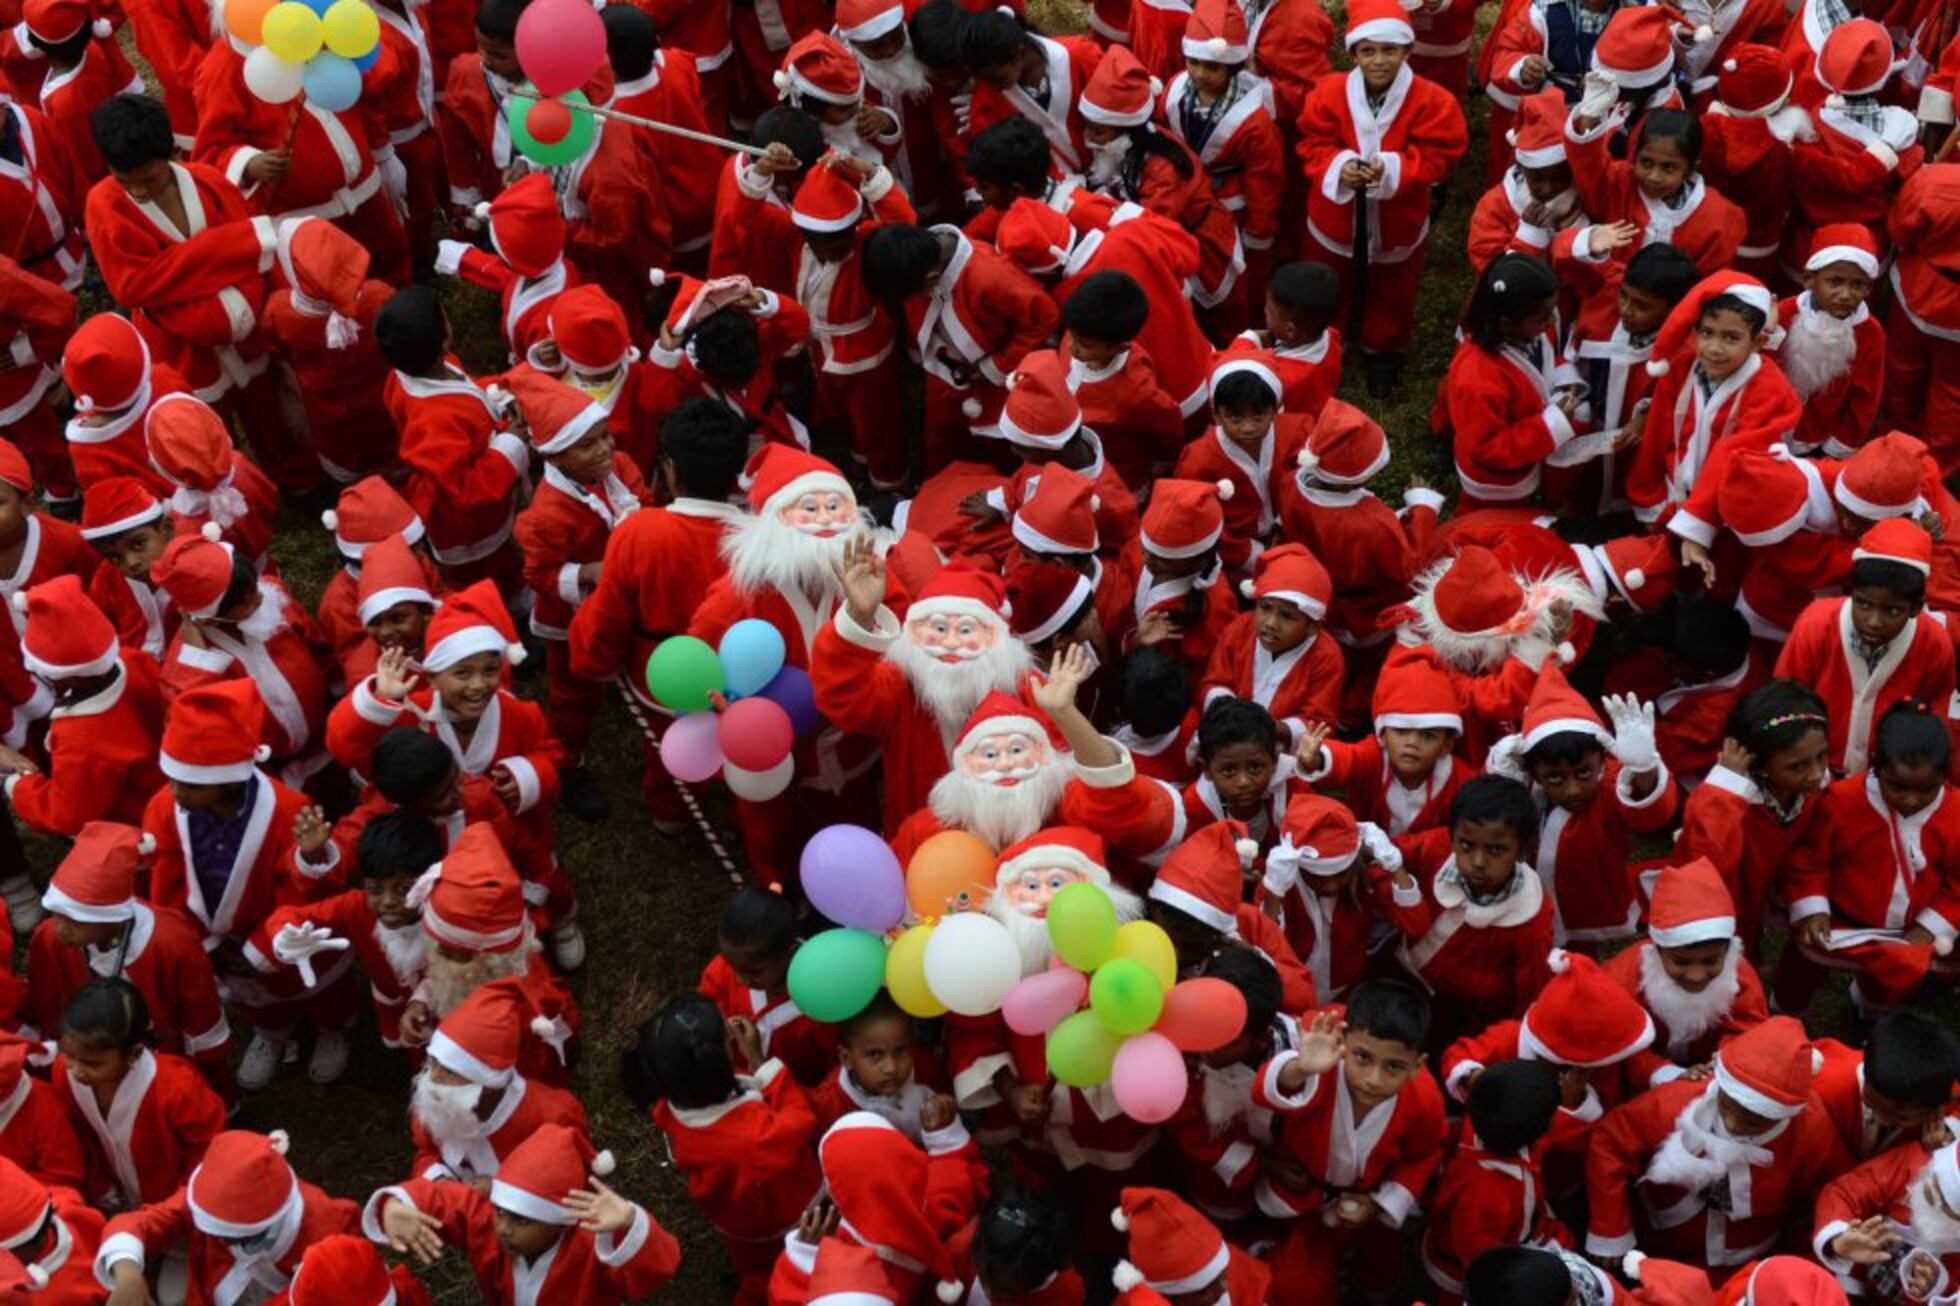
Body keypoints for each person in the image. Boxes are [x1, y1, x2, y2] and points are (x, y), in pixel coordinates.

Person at [567, 400, 748, 832]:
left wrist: (593, 660)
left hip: (657, 674)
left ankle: (672, 811)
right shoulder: (755, 540)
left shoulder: (639, 532)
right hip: (739, 672)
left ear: (669, 470)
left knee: (670, 746)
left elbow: (609, 615)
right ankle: (742, 809)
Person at [1585, 1016, 1854, 1269]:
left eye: (1754, 1120)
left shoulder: (1810, 1128)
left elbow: (1833, 1184)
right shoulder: (1675, 1103)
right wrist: (1611, 1230)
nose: (1735, 1124)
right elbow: (1611, 1142)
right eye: (1727, 1108)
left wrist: (1833, 1234)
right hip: (1658, 1235)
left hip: (1747, 1252)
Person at [1295, 0, 1468, 396]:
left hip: (1397, 215)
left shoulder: (1432, 101)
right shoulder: (1328, 93)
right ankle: (1326, 342)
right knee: (1329, 278)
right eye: (1368, 51)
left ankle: (1383, 348)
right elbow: (1311, 142)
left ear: (1408, 51)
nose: (1379, 61)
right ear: (1353, 53)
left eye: (1389, 50)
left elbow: (1442, 153)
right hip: (1335, 215)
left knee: (1393, 286)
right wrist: (1339, 166)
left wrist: (1393, 169)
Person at [508, 369, 655, 822]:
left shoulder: (621, 469)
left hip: (625, 600)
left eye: (605, 436)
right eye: (589, 444)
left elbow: (645, 503)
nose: (606, 448)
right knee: (573, 693)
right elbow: (539, 574)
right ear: (557, 454)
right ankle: (568, 759)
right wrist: (585, 572)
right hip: (572, 619)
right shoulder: (547, 516)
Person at [1254, 984, 1451, 1306]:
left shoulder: (1425, 1101)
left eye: (1394, 1067)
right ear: (1342, 1042)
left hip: (1370, 1204)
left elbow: (1425, 1153)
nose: (1373, 1078)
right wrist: (1299, 1068)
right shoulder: (1319, 1067)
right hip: (1303, 1197)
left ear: (1417, 1065)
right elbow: (1265, 1092)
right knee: (1301, 1276)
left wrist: (1380, 1204)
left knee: (1380, 1268)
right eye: (1362, 1057)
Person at [623, 991, 821, 1306]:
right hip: (782, 1216)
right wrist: (760, 1063)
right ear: (724, 1056)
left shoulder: (670, 1107)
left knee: (748, 1262)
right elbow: (800, 1119)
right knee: (767, 1273)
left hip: (735, 1217)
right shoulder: (757, 1138)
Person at [1781, 702, 1960, 1015]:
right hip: (1839, 917)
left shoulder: (1956, 814)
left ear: (1945, 776)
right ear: (1877, 765)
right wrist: (1812, 906)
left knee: (1889, 979)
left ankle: (1867, 1010)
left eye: (1927, 790)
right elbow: (1810, 859)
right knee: (1803, 965)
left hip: (1909, 930)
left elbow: (1958, 884)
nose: (1911, 800)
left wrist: (1930, 926)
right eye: (1898, 786)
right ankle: (1784, 1010)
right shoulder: (1842, 801)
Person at [26, 822, 231, 1093]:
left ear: (113, 918)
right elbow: (46, 996)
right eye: (55, 913)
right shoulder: (50, 937)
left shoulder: (171, 941)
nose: (60, 927)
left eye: (74, 920)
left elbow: (199, 1003)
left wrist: (207, 1058)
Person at [374, 285, 530, 593]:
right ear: (443, 339)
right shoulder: (434, 421)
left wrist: (493, 394)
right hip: (469, 524)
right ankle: (507, 608)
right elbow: (462, 490)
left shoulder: (413, 373)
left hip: (470, 498)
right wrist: (510, 445)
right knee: (490, 571)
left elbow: (465, 391)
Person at [1773, 520, 1952, 776]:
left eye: (1892, 611)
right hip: (1814, 775)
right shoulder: (1815, 625)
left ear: (1915, 608)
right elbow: (1785, 700)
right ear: (1851, 593)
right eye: (1864, 605)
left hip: (1886, 782)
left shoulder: (1934, 643)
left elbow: (1938, 714)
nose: (1874, 622)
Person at [96, 1128, 361, 1301]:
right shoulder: (204, 1198)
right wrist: (127, 1270)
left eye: (228, 1237)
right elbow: (139, 1223)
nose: (215, 1240)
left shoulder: (330, 1228)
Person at [1380, 774, 1556, 1031]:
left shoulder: (1531, 916)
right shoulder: (1435, 848)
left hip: (1468, 1012)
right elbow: (1388, 855)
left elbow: (1531, 989)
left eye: (1496, 850)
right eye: (1466, 845)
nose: (1478, 861)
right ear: (1451, 837)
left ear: (1522, 851)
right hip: (1402, 973)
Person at [1670, 679, 1831, 955]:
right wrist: (1724, 790)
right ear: (1758, 764)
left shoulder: (1811, 791)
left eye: (1822, 756)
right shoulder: (1728, 803)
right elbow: (1707, 862)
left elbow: (1811, 846)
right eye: (1798, 766)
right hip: (1727, 894)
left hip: (1761, 888)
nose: (1816, 773)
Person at [1, 575, 163, 837]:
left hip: (132, 832)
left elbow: (66, 816)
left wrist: (18, 786)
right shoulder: (134, 660)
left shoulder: (81, 738)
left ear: (65, 674)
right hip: (166, 795)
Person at [1443, 253, 1600, 511]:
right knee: (1489, 520)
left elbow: (1541, 368)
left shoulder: (1528, 330)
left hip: (1523, 456)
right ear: (1506, 323)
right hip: (1496, 480)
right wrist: (1552, 424)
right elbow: (1488, 447)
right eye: (1543, 318)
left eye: (1553, 312)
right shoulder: (1477, 380)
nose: (1551, 322)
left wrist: (1564, 380)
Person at [52, 978, 225, 1211]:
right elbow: (78, 1135)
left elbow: (209, 1149)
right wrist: (100, 1187)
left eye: (93, 1063)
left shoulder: (178, 1088)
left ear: (133, 1053)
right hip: (114, 1197)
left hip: (176, 1203)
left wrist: (181, 1204)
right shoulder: (63, 1074)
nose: (76, 1069)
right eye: (68, 1055)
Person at [1602, 857, 1769, 1086]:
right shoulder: (1621, 978)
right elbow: (1616, 1040)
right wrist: (1661, 1073)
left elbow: (1748, 1030)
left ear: (1728, 951)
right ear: (1657, 951)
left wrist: (1721, 1063)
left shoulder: (1740, 977)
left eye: (1711, 961)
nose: (1696, 976)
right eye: (1681, 963)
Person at [405, 979, 586, 1187]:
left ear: (489, 1083)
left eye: (448, 1070)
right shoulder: (435, 1104)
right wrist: (436, 1178)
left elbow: (566, 1182)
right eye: (432, 1061)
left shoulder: (550, 1119)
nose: (432, 1078)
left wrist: (499, 1190)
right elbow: (426, 1151)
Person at [1421, 1060, 1565, 1305]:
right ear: (1542, 1128)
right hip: (1463, 1277)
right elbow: (1481, 1265)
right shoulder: (1485, 1198)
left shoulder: (1485, 1117)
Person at [697, 888, 839, 1088]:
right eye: (732, 965)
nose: (741, 979)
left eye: (754, 973)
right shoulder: (724, 969)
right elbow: (704, 1007)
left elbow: (833, 1071)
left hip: (788, 1099)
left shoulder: (820, 1008)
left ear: (789, 952)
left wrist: (758, 1062)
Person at [1772, 225, 1886, 459]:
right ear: (1810, 279)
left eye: (1857, 285)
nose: (1845, 294)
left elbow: (1865, 397)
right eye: (1835, 282)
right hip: (1770, 425)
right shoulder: (1784, 313)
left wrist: (1842, 444)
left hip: (1819, 437)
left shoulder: (1870, 333)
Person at [1110, 1186, 1274, 1304]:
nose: (1224, 1287)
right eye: (1204, 1291)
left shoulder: (1228, 1263)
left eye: (1223, 1275)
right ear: (1168, 1295)